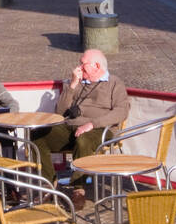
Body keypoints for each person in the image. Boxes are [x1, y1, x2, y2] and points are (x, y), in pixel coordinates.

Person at [31, 49, 130, 210]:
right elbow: (60, 112)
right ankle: (48, 185)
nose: (78, 67)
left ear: (96, 66)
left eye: (82, 64)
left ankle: (79, 189)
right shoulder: (77, 82)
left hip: (100, 129)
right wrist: (72, 86)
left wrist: (93, 124)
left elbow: (121, 111)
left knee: (83, 139)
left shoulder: (114, 83)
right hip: (71, 126)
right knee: (38, 135)